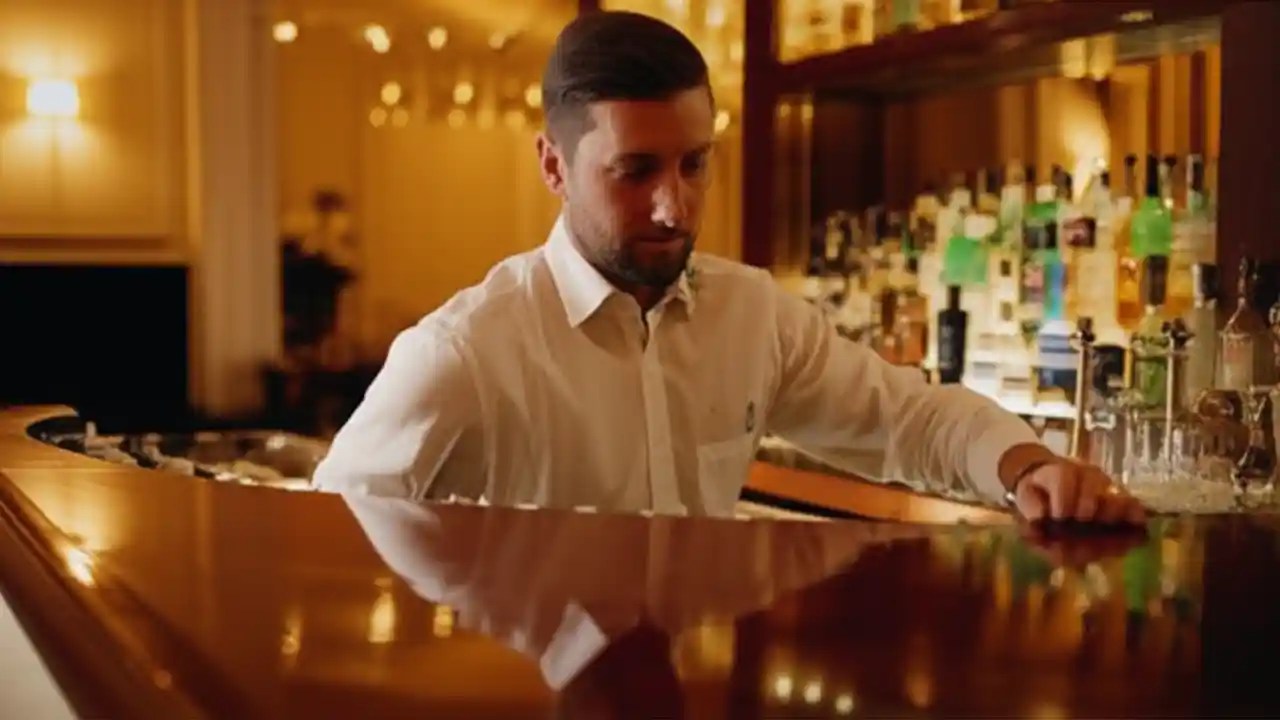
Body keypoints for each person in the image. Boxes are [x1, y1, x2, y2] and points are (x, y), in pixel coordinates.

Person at [314, 11, 1145, 526]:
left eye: (696, 165)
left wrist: (1029, 465)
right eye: (635, 172)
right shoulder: (462, 353)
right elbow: (322, 540)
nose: (676, 207)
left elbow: (910, 420)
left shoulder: (752, 315)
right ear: (555, 167)